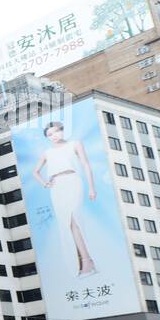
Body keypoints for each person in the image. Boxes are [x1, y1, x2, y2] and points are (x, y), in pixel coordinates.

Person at [32, 120, 98, 279]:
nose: (53, 136)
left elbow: (86, 165)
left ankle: (87, 261)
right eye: (49, 134)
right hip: (57, 187)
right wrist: (45, 184)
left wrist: (91, 187)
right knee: (67, 225)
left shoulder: (75, 144)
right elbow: (35, 172)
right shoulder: (47, 152)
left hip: (73, 181)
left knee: (75, 220)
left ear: (62, 130)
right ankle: (82, 263)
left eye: (56, 132)